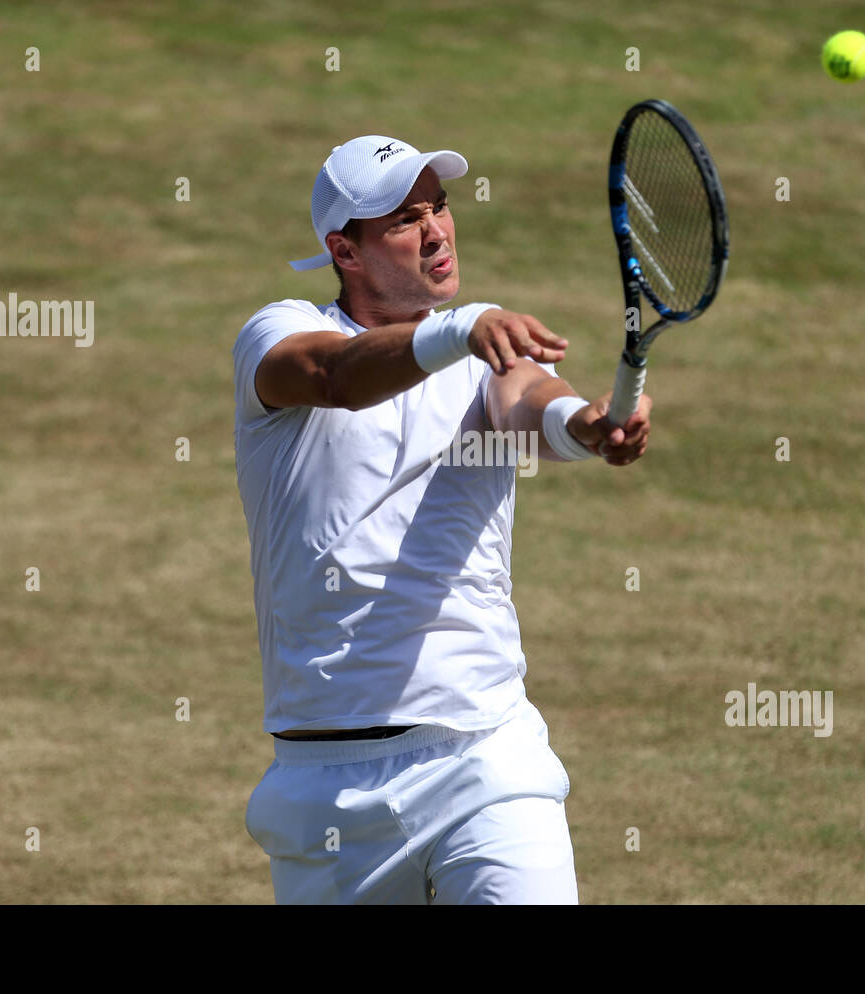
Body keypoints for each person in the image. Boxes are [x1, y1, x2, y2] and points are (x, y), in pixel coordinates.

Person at [234, 134, 652, 904]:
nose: (436, 231)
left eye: (441, 207)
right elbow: (332, 376)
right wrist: (453, 332)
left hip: (486, 762)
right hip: (327, 791)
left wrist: (588, 426)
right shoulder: (279, 332)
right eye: (405, 219)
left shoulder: (479, 341)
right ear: (344, 251)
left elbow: (526, 401)